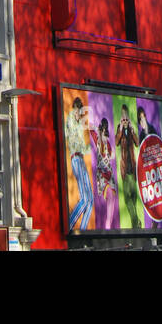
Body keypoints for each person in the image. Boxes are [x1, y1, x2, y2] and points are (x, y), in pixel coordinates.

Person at [65, 97, 94, 231]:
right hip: (75, 159)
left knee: (90, 199)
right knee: (84, 198)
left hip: (81, 158)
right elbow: (75, 144)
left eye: (80, 112)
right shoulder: (71, 120)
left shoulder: (78, 124)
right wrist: (87, 148)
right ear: (75, 109)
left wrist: (93, 147)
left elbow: (82, 146)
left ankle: (82, 231)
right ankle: (70, 224)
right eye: (78, 111)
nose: (79, 114)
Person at [115, 104, 141, 229]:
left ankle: (135, 224)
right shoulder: (119, 129)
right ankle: (136, 222)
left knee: (134, 198)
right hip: (125, 169)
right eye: (123, 119)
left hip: (133, 169)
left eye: (126, 119)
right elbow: (115, 142)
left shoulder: (131, 131)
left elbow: (137, 143)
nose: (125, 121)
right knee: (127, 198)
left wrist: (132, 130)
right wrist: (120, 130)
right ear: (121, 119)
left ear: (128, 119)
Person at [89, 115, 116, 231]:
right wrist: (96, 128)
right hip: (101, 173)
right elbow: (90, 127)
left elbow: (112, 156)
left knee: (112, 197)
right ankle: (104, 224)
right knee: (105, 196)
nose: (104, 132)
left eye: (106, 130)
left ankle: (108, 223)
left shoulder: (108, 143)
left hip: (109, 172)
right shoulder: (97, 139)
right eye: (103, 129)